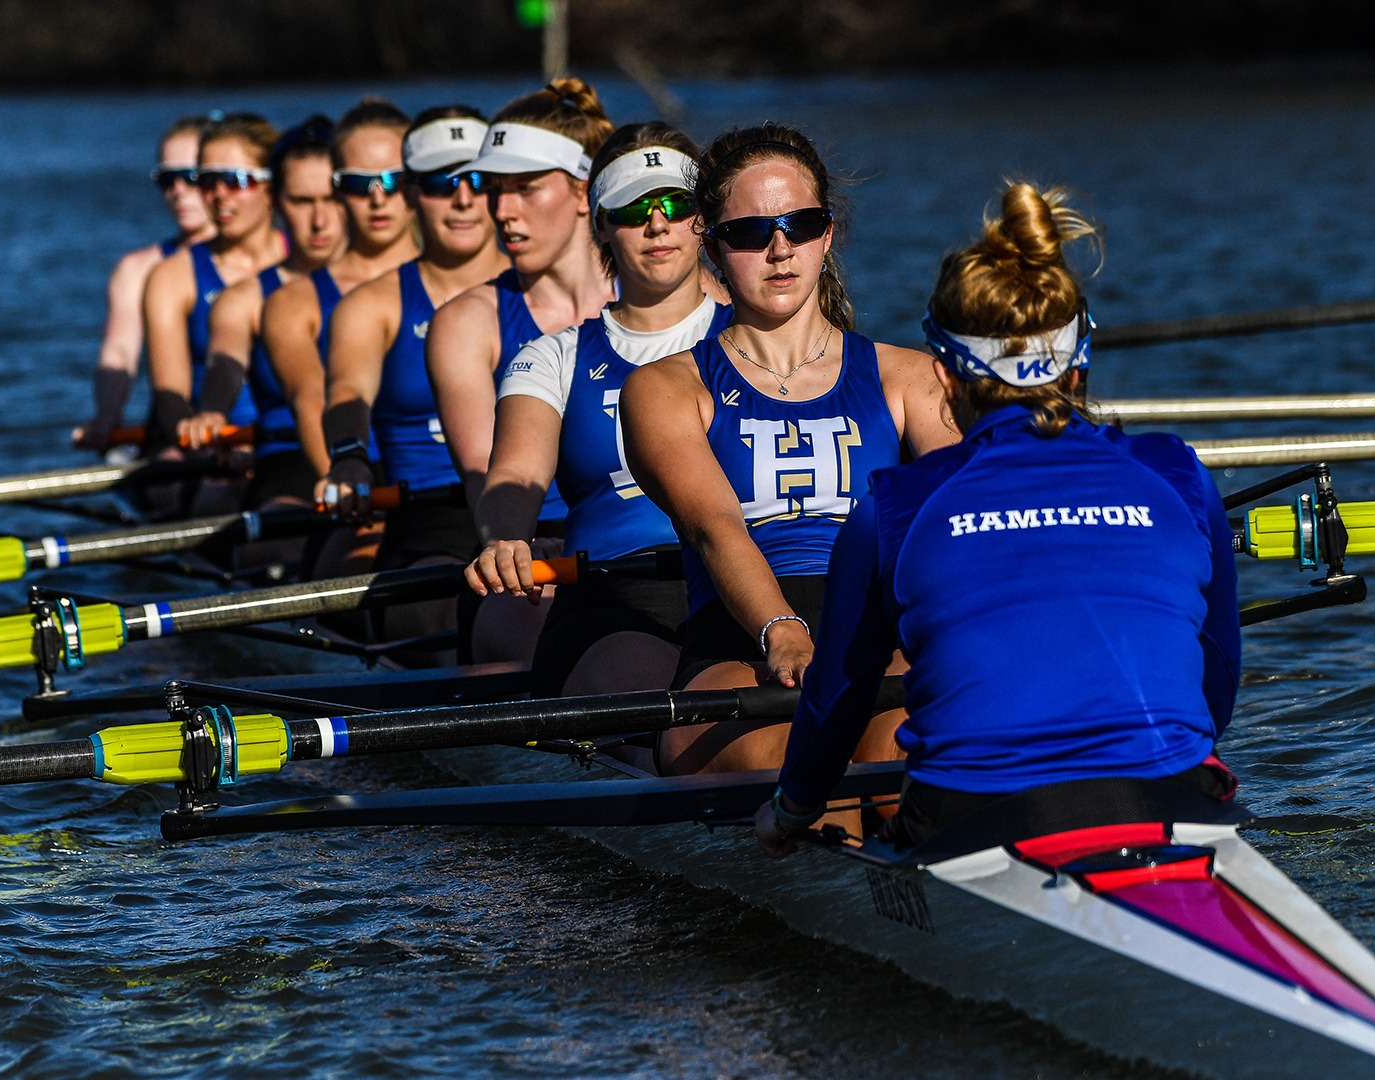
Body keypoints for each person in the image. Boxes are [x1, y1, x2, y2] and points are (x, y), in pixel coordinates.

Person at [753, 181, 1241, 855]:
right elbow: (1216, 680)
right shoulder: (1178, 473)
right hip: (1176, 798)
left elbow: (836, 702)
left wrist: (791, 810)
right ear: (1077, 369)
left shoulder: (893, 505)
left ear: (946, 377)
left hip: (975, 816)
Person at [620, 122, 953, 775]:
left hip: (880, 637)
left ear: (826, 236)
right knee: (818, 763)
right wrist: (783, 629)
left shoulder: (908, 376)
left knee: (922, 725)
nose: (779, 248)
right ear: (712, 251)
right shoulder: (664, 388)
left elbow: (960, 510)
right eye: (750, 232)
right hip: (741, 649)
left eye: (799, 224)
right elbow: (715, 528)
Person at [463, 123, 729, 697]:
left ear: (702, 218)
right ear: (601, 223)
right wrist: (506, 536)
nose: (657, 223)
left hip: (755, 585)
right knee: (663, 692)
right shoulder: (554, 356)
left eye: (675, 203)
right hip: (614, 598)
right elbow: (513, 475)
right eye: (633, 209)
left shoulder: (760, 339)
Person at [419, 77, 617, 662]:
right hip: (529, 568)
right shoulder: (465, 322)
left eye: (526, 188)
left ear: (585, 191)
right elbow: (487, 475)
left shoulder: (687, 300)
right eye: (492, 189)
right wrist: (512, 543)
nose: (501, 212)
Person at [315, 106, 508, 652]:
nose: (463, 198)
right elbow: (346, 391)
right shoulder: (369, 306)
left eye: (477, 180)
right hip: (431, 518)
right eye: (443, 184)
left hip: (545, 510)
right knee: (454, 611)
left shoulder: (551, 294)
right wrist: (350, 454)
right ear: (411, 195)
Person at [179, 115, 345, 507]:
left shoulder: (391, 286)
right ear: (275, 199)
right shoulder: (243, 299)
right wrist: (214, 411)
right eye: (302, 202)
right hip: (287, 459)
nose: (319, 221)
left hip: (383, 456)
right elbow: (225, 363)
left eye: (331, 200)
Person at [260, 98, 421, 496]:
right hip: (354, 482)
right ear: (338, 189)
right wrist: (345, 478)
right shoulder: (292, 301)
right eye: (359, 185)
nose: (378, 198)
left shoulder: (482, 286)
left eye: (393, 181)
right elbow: (312, 398)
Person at [140, 112, 286, 452]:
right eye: (206, 181)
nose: (219, 195)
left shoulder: (308, 263)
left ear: (271, 185)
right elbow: (169, 395)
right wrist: (201, 436)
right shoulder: (171, 276)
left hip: (288, 441)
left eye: (234, 180)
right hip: (212, 447)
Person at [73, 115, 217, 451]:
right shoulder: (137, 269)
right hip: (175, 430)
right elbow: (120, 353)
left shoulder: (278, 256)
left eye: (190, 177)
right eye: (167, 180)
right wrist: (108, 417)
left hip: (255, 428)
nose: (178, 191)